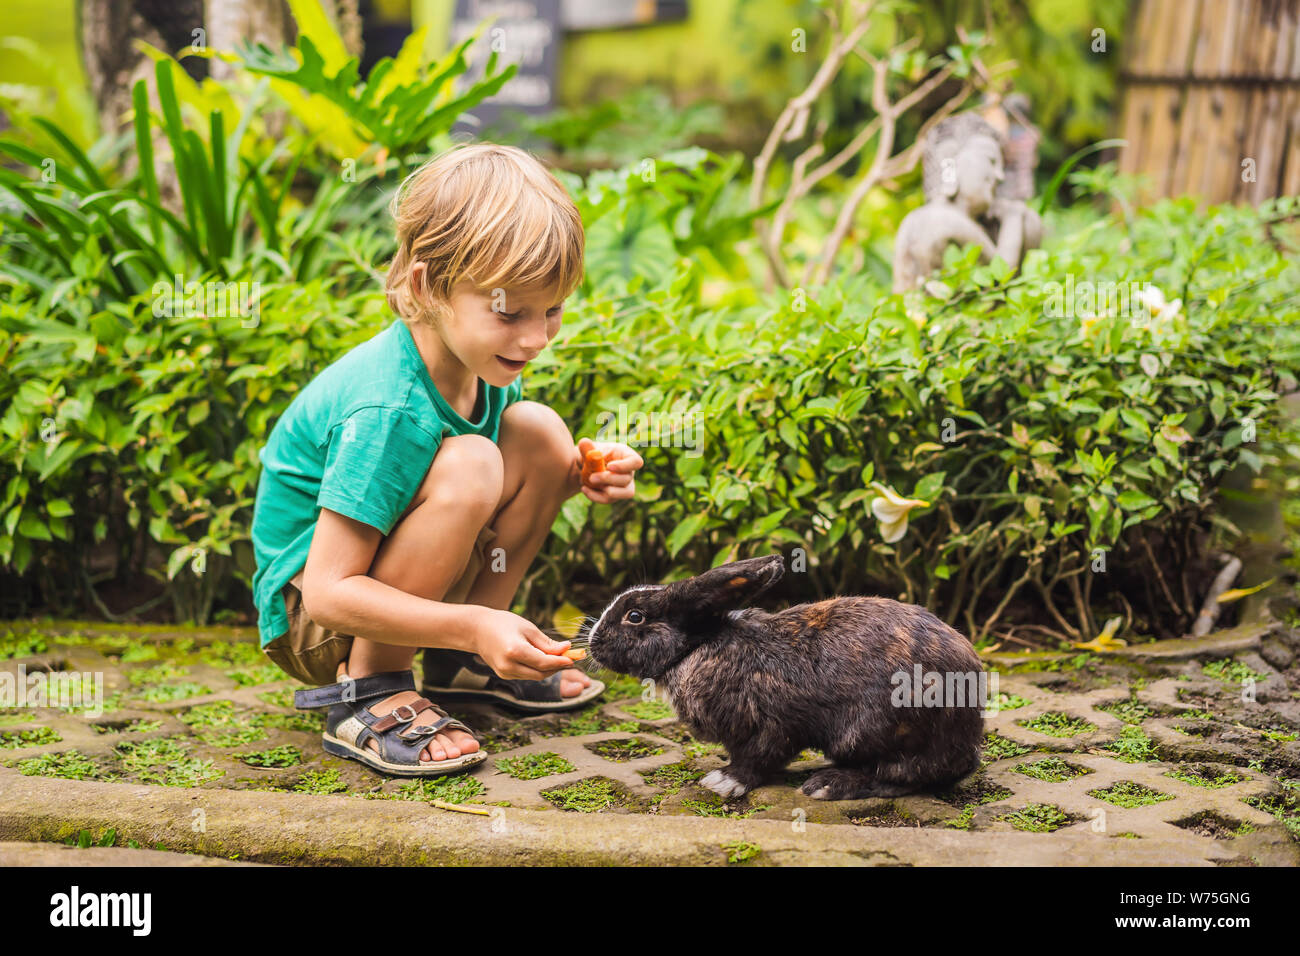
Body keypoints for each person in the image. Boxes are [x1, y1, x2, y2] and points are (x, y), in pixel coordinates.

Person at [250, 142, 644, 776]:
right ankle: (373, 689)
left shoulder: (479, 362)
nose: (536, 338)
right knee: (473, 464)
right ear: (427, 286)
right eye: (511, 312)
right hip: (316, 620)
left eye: (553, 310)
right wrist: (472, 622)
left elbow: (504, 478)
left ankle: (462, 667)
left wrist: (581, 475)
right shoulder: (389, 409)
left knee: (541, 433)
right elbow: (326, 593)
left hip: (384, 582)